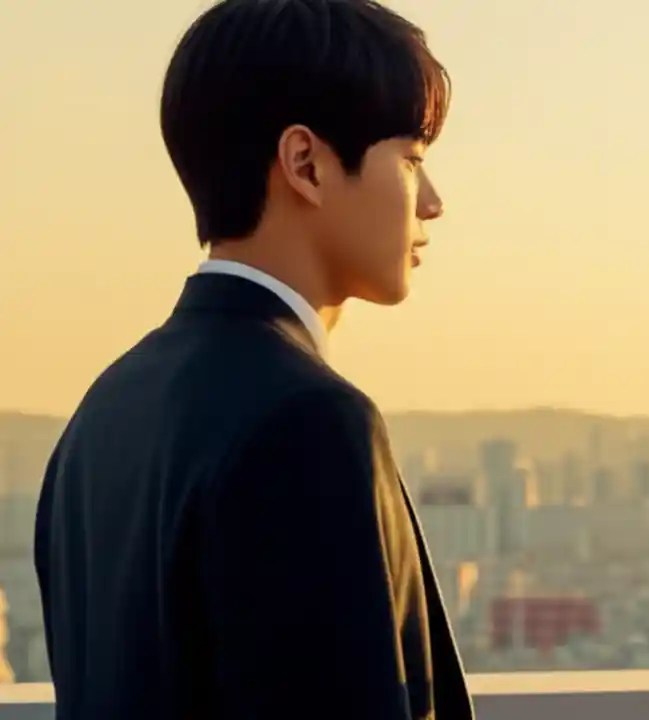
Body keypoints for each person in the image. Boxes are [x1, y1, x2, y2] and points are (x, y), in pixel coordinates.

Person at [33, 2, 470, 718]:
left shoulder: (103, 413)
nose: (432, 203)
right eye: (412, 159)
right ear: (306, 164)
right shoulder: (307, 420)